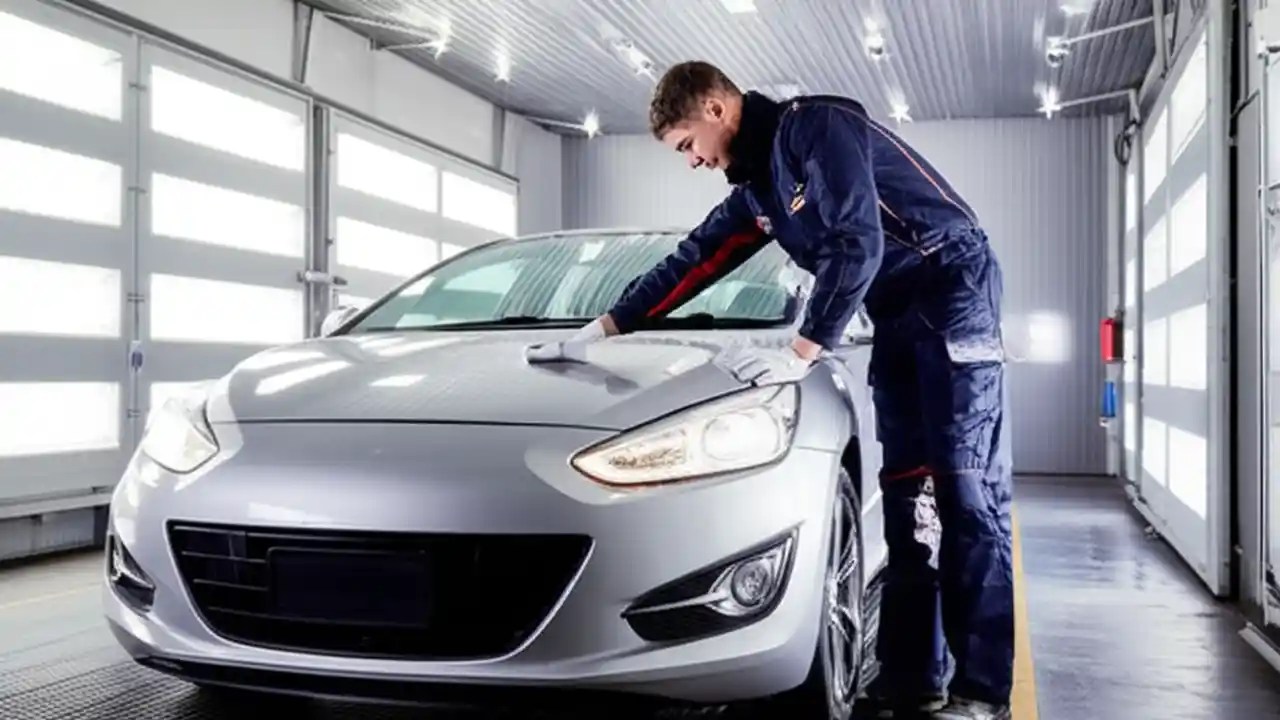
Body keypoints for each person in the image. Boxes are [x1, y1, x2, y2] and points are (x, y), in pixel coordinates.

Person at [529, 61, 1013, 720]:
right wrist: (601, 328)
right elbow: (694, 260)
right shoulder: (759, 191)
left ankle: (983, 693)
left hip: (953, 286)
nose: (692, 161)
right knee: (908, 498)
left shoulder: (818, 126)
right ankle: (912, 680)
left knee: (964, 494)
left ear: (717, 110)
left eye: (686, 145)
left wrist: (802, 349)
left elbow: (857, 241)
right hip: (894, 312)